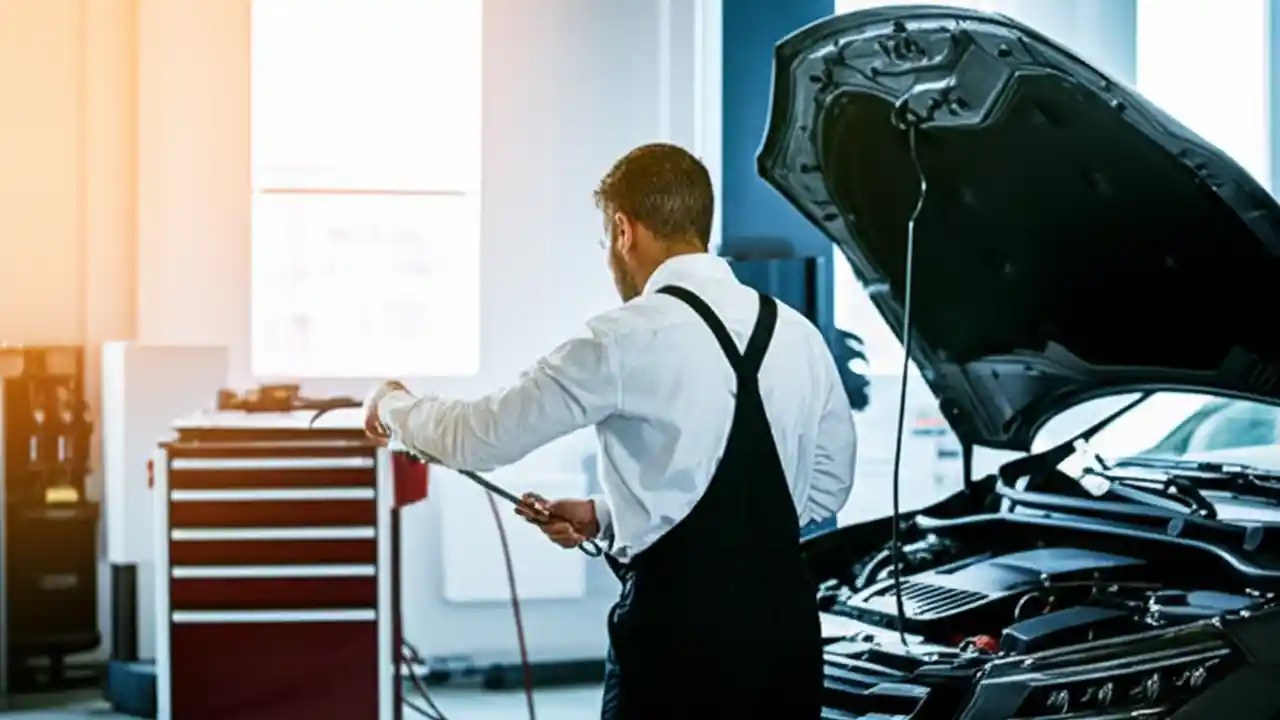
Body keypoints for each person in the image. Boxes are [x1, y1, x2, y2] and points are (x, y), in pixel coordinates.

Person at [363, 142, 857, 719]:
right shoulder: (799, 336)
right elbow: (826, 488)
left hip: (676, 641)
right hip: (786, 636)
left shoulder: (622, 339)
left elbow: (479, 435)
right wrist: (605, 516)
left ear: (623, 230)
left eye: (607, 241)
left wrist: (393, 404)